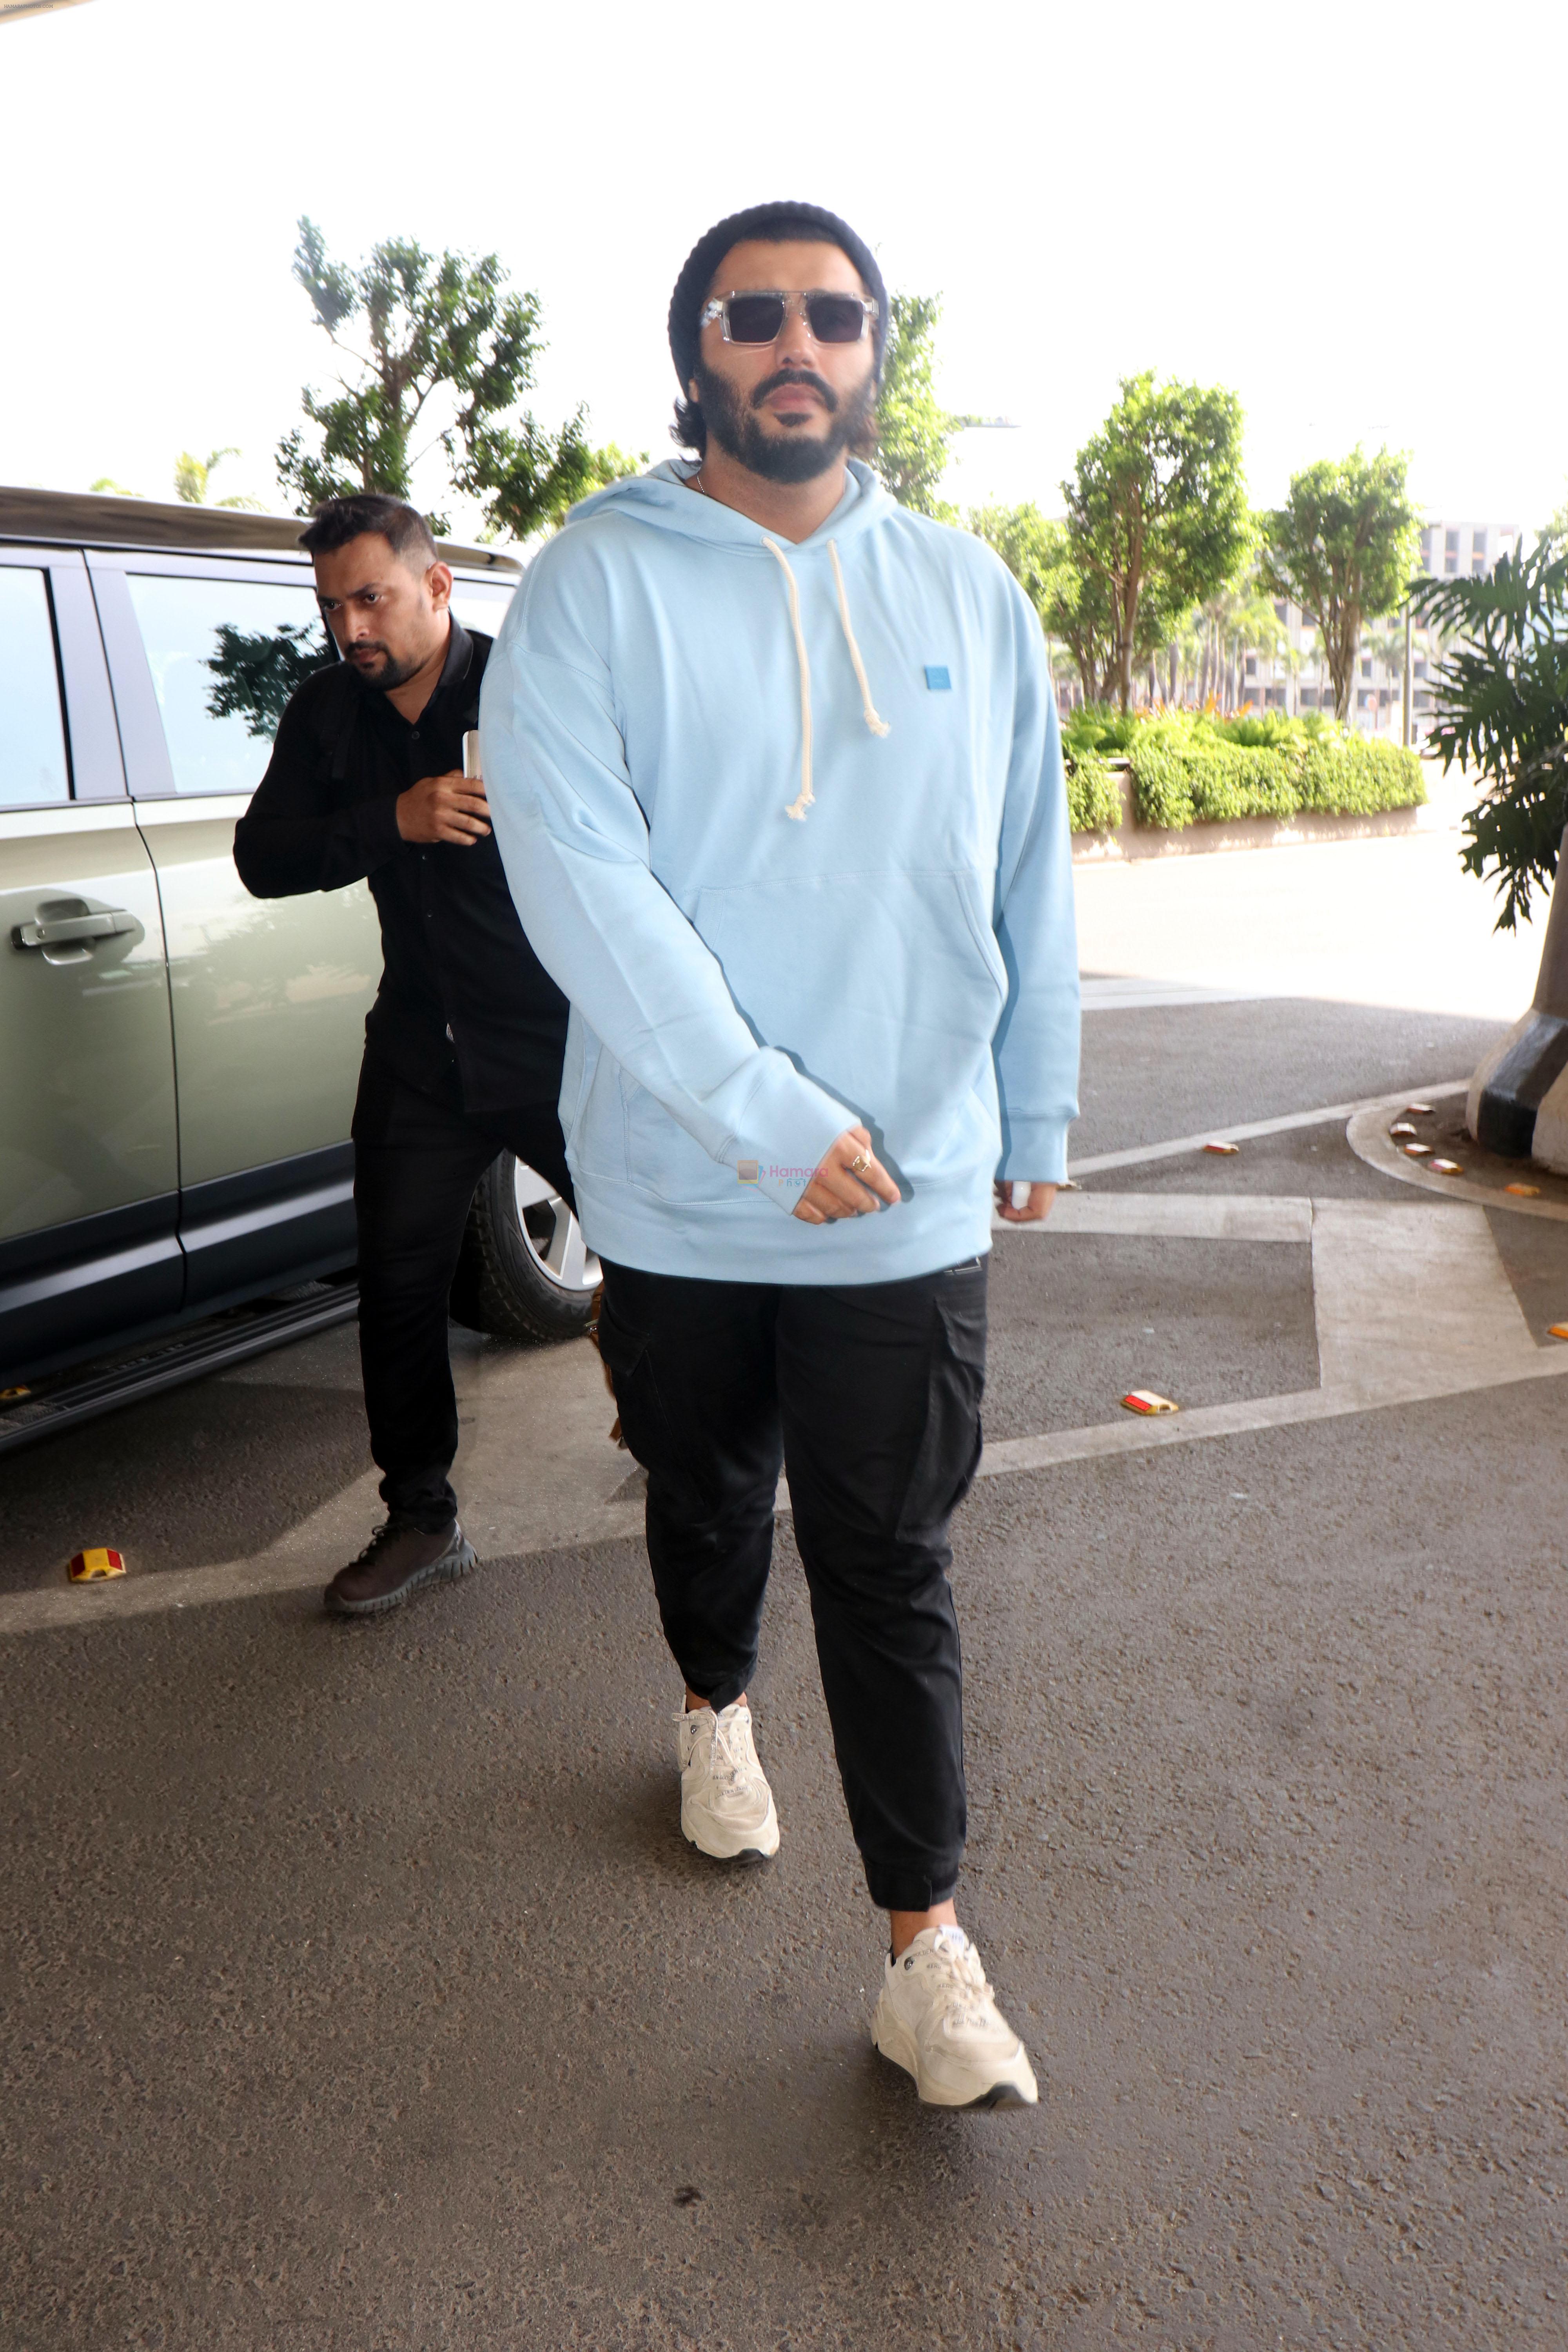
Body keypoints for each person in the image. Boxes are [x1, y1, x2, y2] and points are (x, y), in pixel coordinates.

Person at [481, 202, 1079, 2110]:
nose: (795, 342)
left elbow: (1025, 867)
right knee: (707, 1492)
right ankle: (710, 1707)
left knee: (892, 1561)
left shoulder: (970, 595)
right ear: (698, 359)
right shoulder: (594, 582)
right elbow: (577, 877)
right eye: (756, 316)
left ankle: (927, 1953)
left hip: (903, 1192)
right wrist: (756, 1113)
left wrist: (1035, 1103)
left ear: (874, 353)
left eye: (834, 313)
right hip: (679, 1190)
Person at [234, 493, 572, 1618]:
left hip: (560, 1042)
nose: (349, 629)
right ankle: (422, 1518)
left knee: (664, 1272)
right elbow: (262, 856)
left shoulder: (533, 687)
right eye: (331, 606)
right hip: (422, 1049)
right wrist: (395, 819)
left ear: (436, 587)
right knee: (396, 1287)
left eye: (370, 598)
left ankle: (697, 1462)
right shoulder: (330, 713)